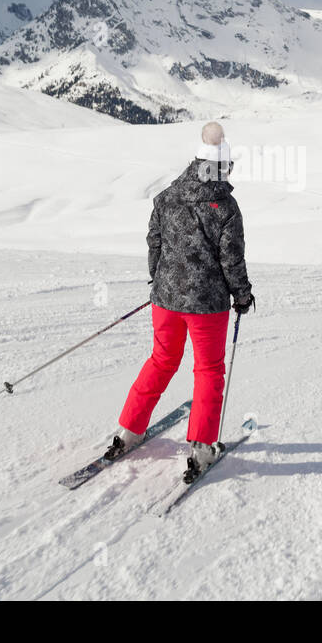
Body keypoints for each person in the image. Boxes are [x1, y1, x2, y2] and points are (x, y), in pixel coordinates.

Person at [106, 121, 255, 481]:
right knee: (208, 370)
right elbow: (231, 258)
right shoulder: (225, 207)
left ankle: (129, 431)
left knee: (161, 360)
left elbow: (153, 241)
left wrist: (158, 278)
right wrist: (242, 294)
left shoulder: (167, 196)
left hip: (166, 301)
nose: (230, 172)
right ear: (219, 167)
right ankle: (202, 447)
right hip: (207, 306)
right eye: (229, 166)